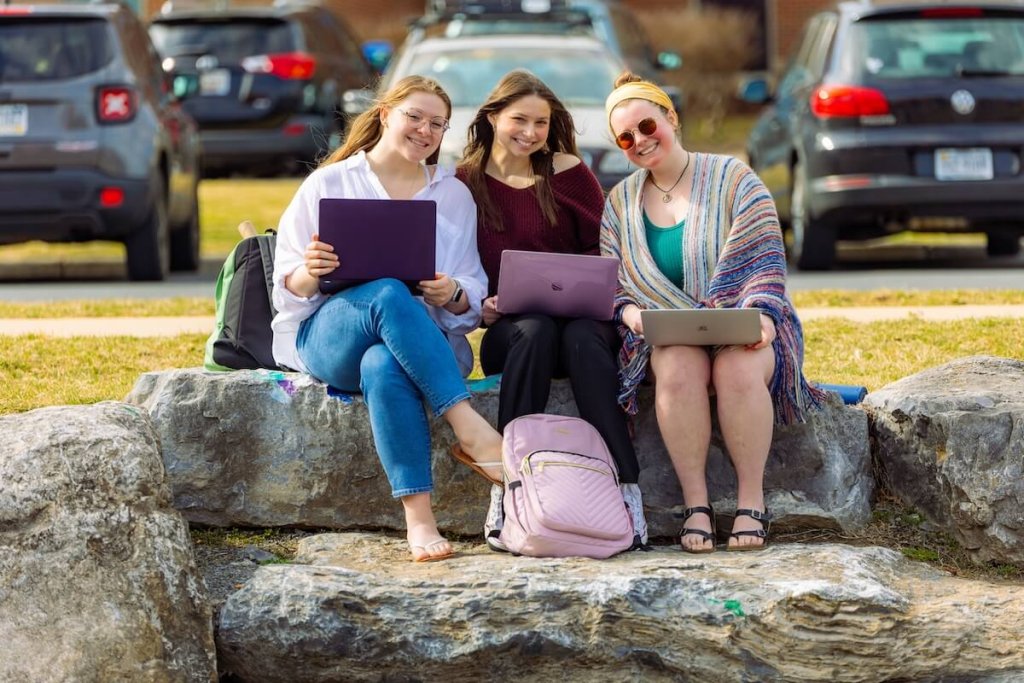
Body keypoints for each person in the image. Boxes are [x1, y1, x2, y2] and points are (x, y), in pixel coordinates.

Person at [270, 75, 504, 563]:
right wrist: (310, 273)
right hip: (330, 338)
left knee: (384, 364)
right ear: (384, 116)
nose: (425, 130)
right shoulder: (329, 182)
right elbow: (287, 292)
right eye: (414, 117)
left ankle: (419, 520)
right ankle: (469, 427)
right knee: (388, 292)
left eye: (437, 124)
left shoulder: (453, 194)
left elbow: (472, 296)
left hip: (416, 342)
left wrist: (453, 293)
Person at [601, 72, 825, 553]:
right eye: (625, 137)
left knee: (737, 367)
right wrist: (632, 317)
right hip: (665, 335)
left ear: (672, 118)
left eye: (646, 126)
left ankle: (751, 502)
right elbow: (612, 284)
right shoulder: (618, 203)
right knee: (678, 369)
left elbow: (765, 259)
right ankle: (696, 505)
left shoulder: (734, 178)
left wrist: (762, 314)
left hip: (745, 320)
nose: (639, 141)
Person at [457, 70, 648, 552]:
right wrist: (484, 304)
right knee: (535, 328)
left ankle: (629, 490)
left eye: (541, 123)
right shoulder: (465, 183)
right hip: (516, 334)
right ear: (492, 116)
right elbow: (458, 264)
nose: (530, 132)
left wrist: (580, 280)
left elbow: (604, 251)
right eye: (519, 119)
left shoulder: (568, 173)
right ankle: (508, 488)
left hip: (584, 324)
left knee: (582, 337)